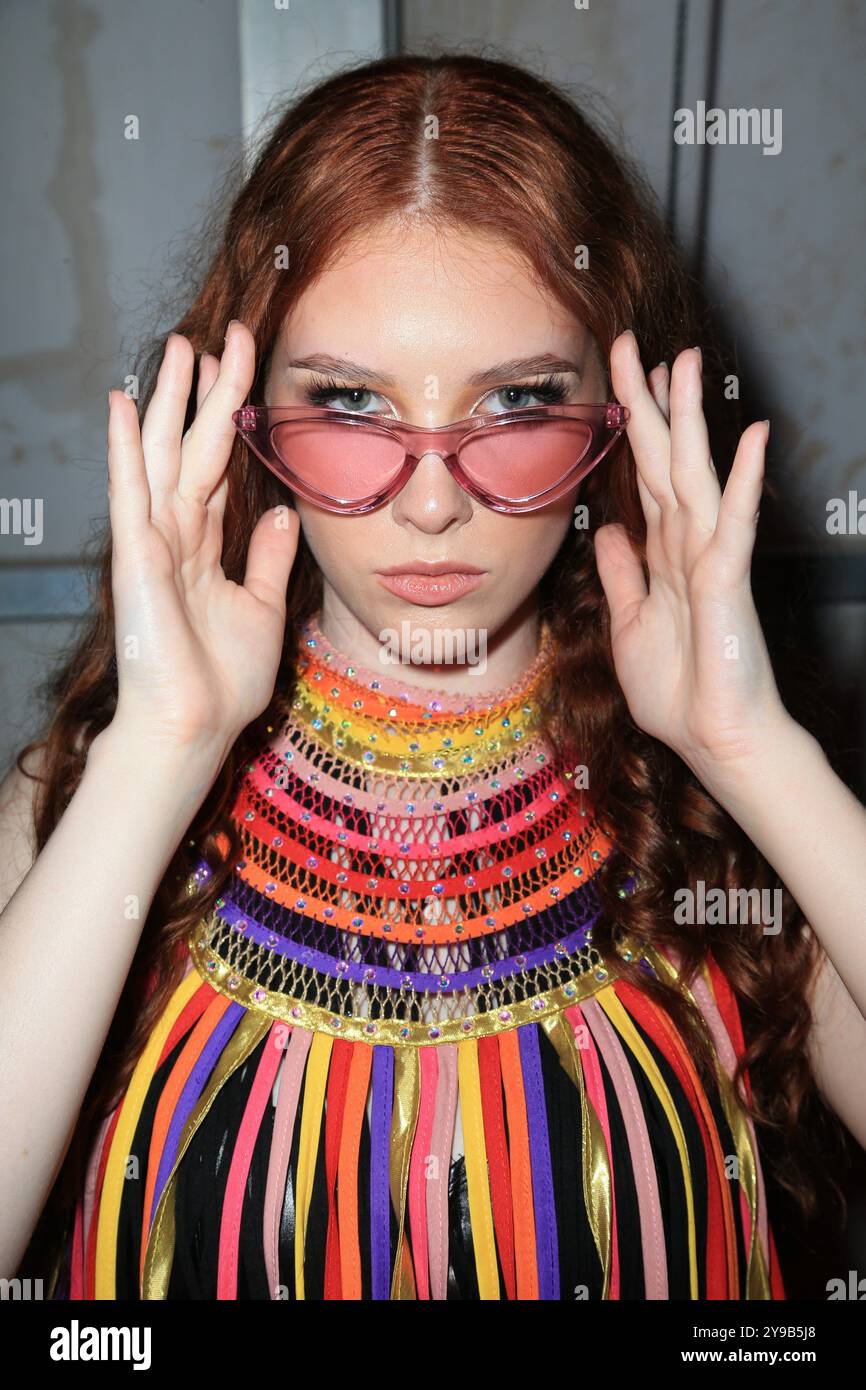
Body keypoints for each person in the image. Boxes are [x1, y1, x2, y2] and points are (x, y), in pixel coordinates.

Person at [2, 52, 865, 1302]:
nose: (428, 500)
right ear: (241, 407)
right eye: (349, 400)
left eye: (515, 401)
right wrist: (160, 750)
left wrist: (748, 746)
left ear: (617, 410)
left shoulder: (708, 816)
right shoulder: (92, 782)